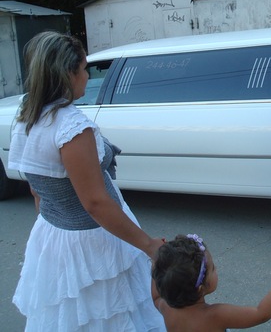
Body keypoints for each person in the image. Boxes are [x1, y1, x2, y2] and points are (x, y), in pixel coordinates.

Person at [8, 31, 166, 331]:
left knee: (69, 314)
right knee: (108, 313)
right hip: (93, 241)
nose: (87, 76)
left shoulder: (28, 118)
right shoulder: (71, 126)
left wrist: (55, 231)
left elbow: (36, 189)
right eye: (83, 69)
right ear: (68, 74)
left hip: (53, 233)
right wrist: (149, 246)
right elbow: (95, 202)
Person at [151, 234, 271, 331]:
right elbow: (261, 313)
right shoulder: (215, 315)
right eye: (213, 269)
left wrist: (160, 262)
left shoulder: (166, 307)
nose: (216, 269)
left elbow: (156, 296)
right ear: (200, 288)